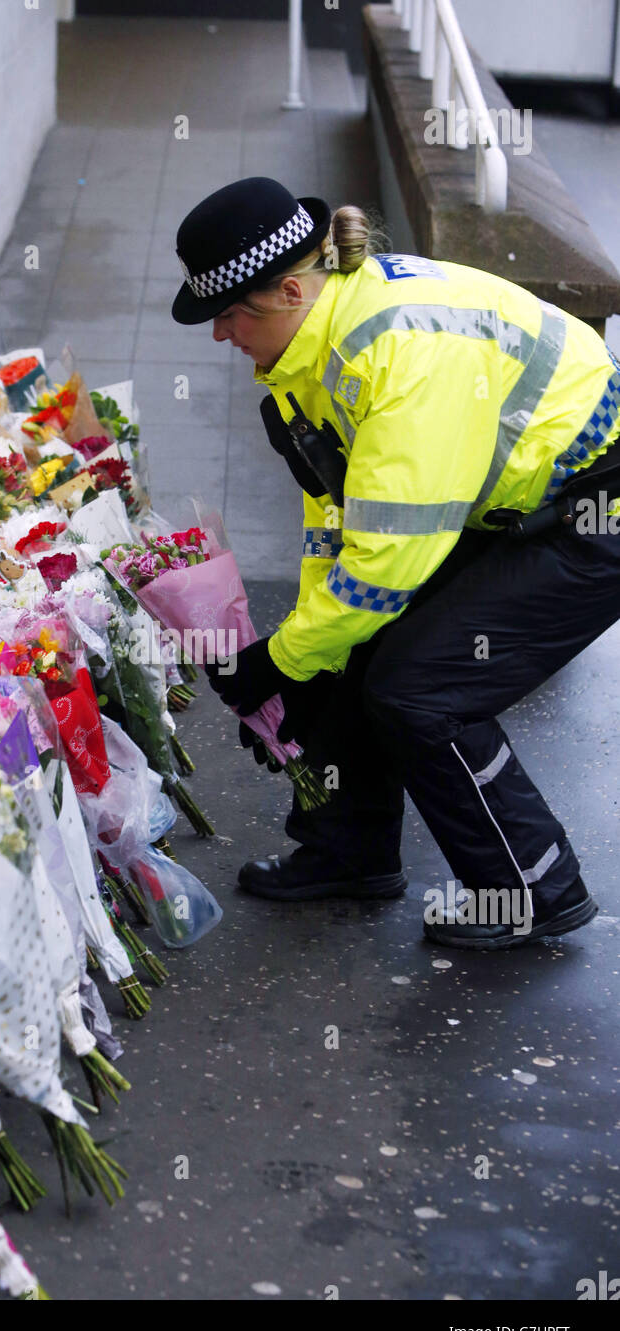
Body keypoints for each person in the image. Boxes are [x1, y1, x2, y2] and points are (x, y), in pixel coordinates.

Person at [171, 176, 620, 950]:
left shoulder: (400, 353)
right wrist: (306, 660)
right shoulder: (307, 357)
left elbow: (383, 567)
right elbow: (338, 526)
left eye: (228, 314)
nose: (219, 335)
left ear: (285, 291)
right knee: (348, 648)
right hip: (520, 504)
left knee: (420, 688)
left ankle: (529, 889)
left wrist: (278, 660)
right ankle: (348, 852)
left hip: (595, 510)